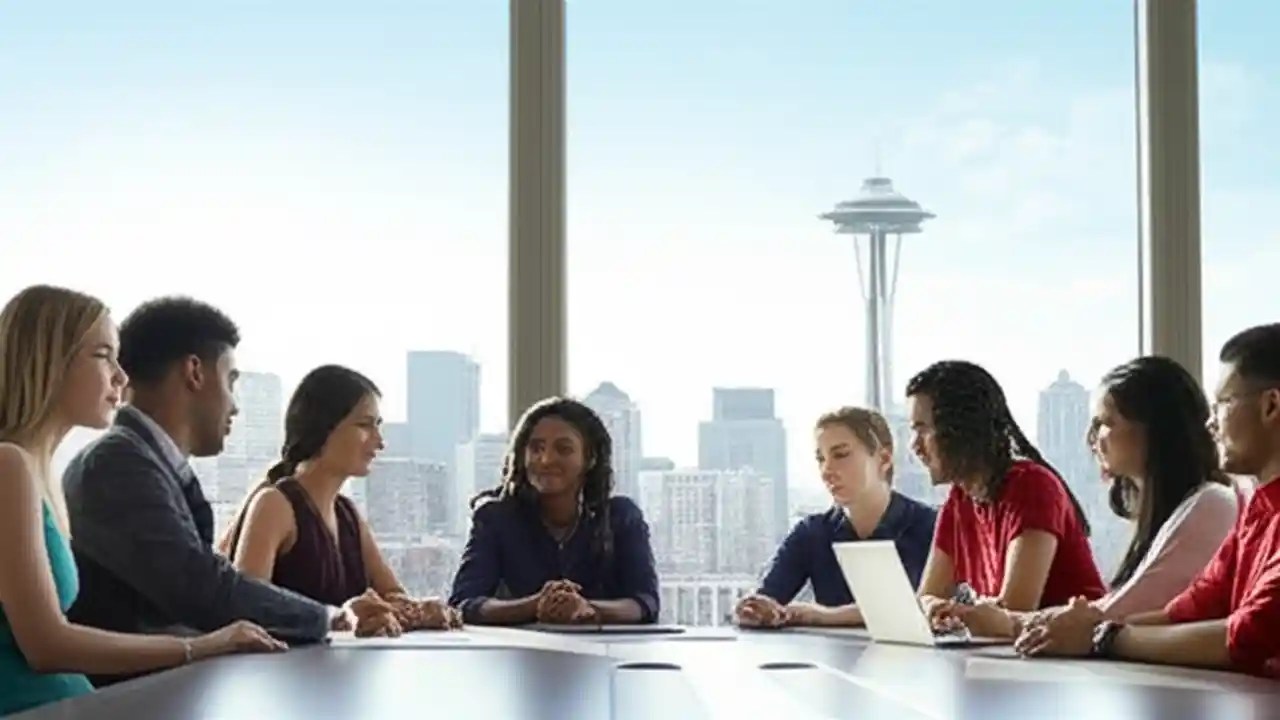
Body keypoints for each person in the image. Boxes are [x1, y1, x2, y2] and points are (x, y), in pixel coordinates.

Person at [62, 297, 384, 686]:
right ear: (195, 372)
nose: (234, 406)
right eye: (231, 381)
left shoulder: (148, 464)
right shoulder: (117, 465)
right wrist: (331, 617)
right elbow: (202, 590)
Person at [0, 285, 283, 716]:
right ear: (50, 359)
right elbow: (46, 645)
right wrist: (200, 646)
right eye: (102, 355)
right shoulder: (8, 466)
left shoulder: (40, 477)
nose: (120, 376)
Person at [1017, 324, 1280, 678]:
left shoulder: (1217, 503)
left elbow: (1243, 638)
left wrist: (1102, 638)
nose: (1210, 422)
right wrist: (1098, 629)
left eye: (1223, 403)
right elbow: (1193, 607)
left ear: (1271, 406)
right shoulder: (1257, 510)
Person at [224, 365, 456, 632]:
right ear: (323, 427)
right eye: (365, 425)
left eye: (378, 426)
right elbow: (247, 611)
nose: (380, 442)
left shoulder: (347, 514)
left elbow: (391, 593)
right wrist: (342, 619)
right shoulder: (274, 505)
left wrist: (420, 610)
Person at [908, 360, 1106, 639]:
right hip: (1019, 658)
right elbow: (927, 594)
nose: (914, 445)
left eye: (923, 429)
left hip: (1079, 662)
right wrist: (933, 606)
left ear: (960, 428)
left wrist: (952, 610)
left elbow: (1014, 610)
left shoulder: (1032, 486)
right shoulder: (959, 500)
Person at [449, 397, 659, 625]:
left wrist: (586, 608)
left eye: (564, 449)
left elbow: (645, 602)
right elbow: (464, 603)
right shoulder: (494, 517)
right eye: (536, 448)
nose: (546, 459)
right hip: (520, 653)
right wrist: (535, 605)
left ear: (590, 458)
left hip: (607, 650)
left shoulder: (622, 517)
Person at [735, 407, 937, 628]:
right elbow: (768, 599)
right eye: (820, 459)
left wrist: (822, 616)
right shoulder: (812, 532)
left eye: (840, 455)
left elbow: (918, 607)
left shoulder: (932, 528)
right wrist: (755, 610)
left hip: (918, 660)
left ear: (883, 458)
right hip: (836, 660)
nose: (826, 470)